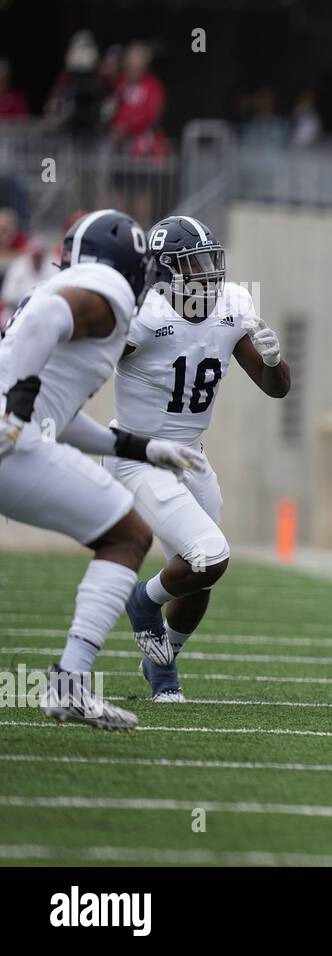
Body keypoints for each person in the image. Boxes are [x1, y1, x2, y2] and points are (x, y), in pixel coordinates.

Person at [0, 209, 208, 730]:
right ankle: (70, 684)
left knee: (123, 534)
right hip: (9, 436)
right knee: (128, 537)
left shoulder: (68, 289)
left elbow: (60, 419)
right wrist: (17, 407)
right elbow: (47, 327)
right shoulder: (109, 287)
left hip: (20, 432)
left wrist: (141, 448)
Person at [113, 215, 290, 702]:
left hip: (191, 456)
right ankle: (142, 601)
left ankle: (161, 665)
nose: (209, 274)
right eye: (196, 264)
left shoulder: (233, 304)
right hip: (139, 455)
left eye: (213, 261)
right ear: (166, 271)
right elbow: (90, 363)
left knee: (200, 576)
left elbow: (277, 390)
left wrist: (275, 361)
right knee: (209, 555)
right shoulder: (142, 315)